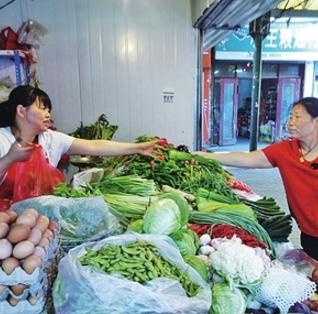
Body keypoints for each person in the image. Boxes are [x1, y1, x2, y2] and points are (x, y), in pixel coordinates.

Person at [194, 97, 318, 261]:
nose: (290, 122)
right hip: (308, 232)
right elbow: (248, 159)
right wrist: (205, 156)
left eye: (297, 116)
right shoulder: (286, 150)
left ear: (315, 121)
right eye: (290, 116)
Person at [0, 85, 157, 201]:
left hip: (42, 215)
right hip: (7, 218)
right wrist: (9, 158)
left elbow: (95, 146)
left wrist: (138, 148)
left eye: (49, 110)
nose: (48, 114)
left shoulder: (51, 139)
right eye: (43, 108)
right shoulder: (2, 139)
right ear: (21, 111)